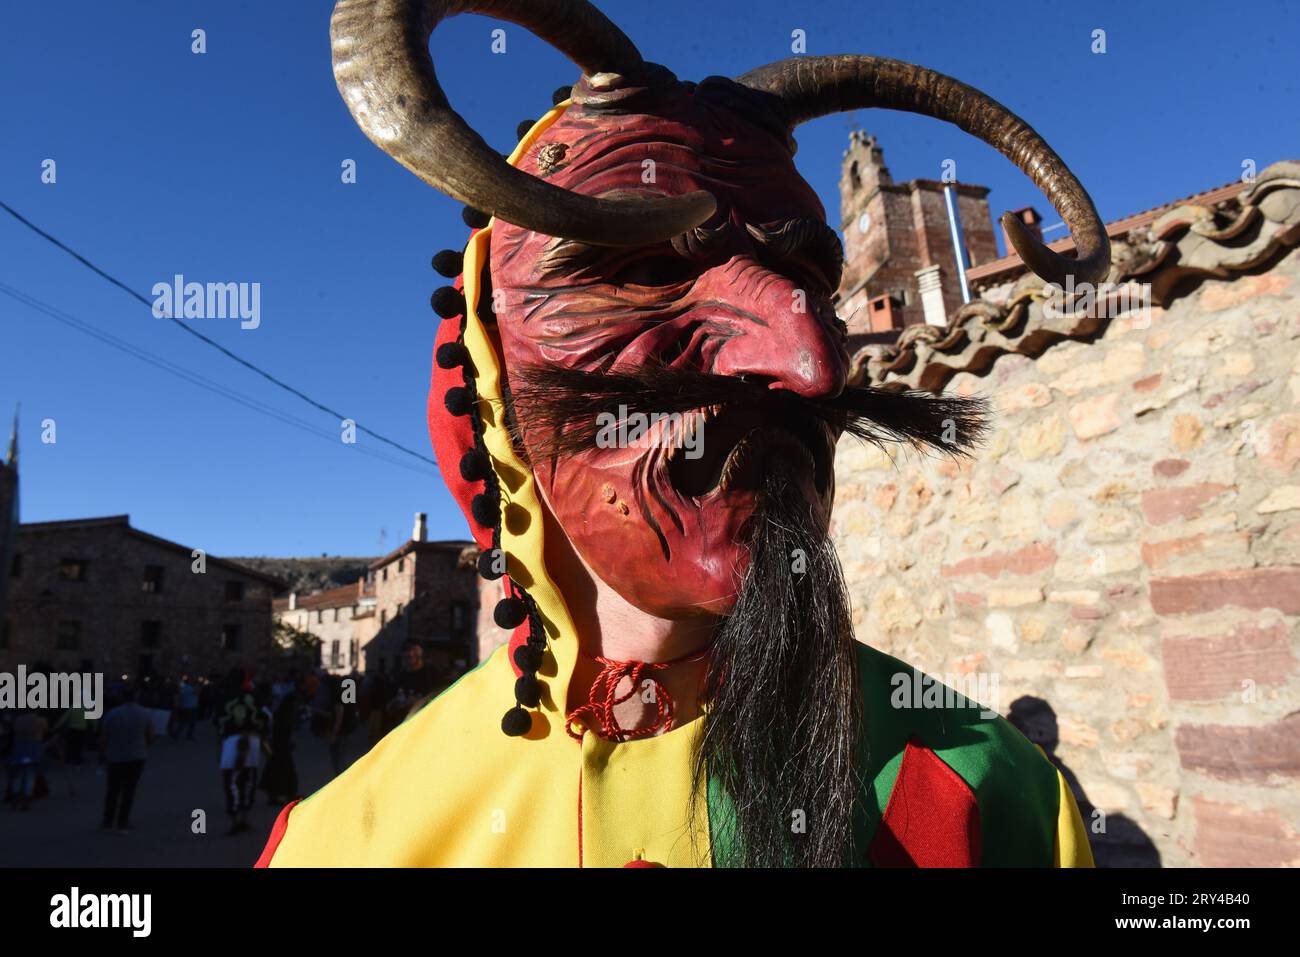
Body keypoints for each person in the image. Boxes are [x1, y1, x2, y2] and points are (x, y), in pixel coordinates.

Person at [260, 0, 1104, 868]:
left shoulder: (996, 800)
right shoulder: (343, 842)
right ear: (491, 382)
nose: (811, 364)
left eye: (807, 282)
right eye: (654, 270)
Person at [216, 676, 268, 835]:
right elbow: (264, 718)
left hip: (231, 741)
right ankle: (244, 817)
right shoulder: (254, 698)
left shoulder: (225, 698)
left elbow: (219, 722)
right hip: (251, 740)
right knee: (248, 780)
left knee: (231, 780)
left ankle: (234, 818)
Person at [99, 687, 154, 833]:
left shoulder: (112, 714)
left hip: (115, 756)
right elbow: (150, 735)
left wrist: (103, 754)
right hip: (136, 755)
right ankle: (122, 822)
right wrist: (144, 746)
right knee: (129, 790)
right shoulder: (145, 713)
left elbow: (104, 737)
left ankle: (108, 821)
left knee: (112, 790)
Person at [5, 709, 47, 811]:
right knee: (30, 775)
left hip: (19, 748)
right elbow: (44, 732)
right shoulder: (41, 721)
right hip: (33, 749)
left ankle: (15, 798)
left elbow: (13, 731)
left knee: (18, 775)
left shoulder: (18, 720)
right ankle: (26, 799)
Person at [172, 677, 199, 742]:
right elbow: (196, 692)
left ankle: (177, 734)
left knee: (185, 722)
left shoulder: (183, 688)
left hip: (185, 707)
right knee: (190, 723)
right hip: (190, 708)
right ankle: (186, 735)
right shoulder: (189, 688)